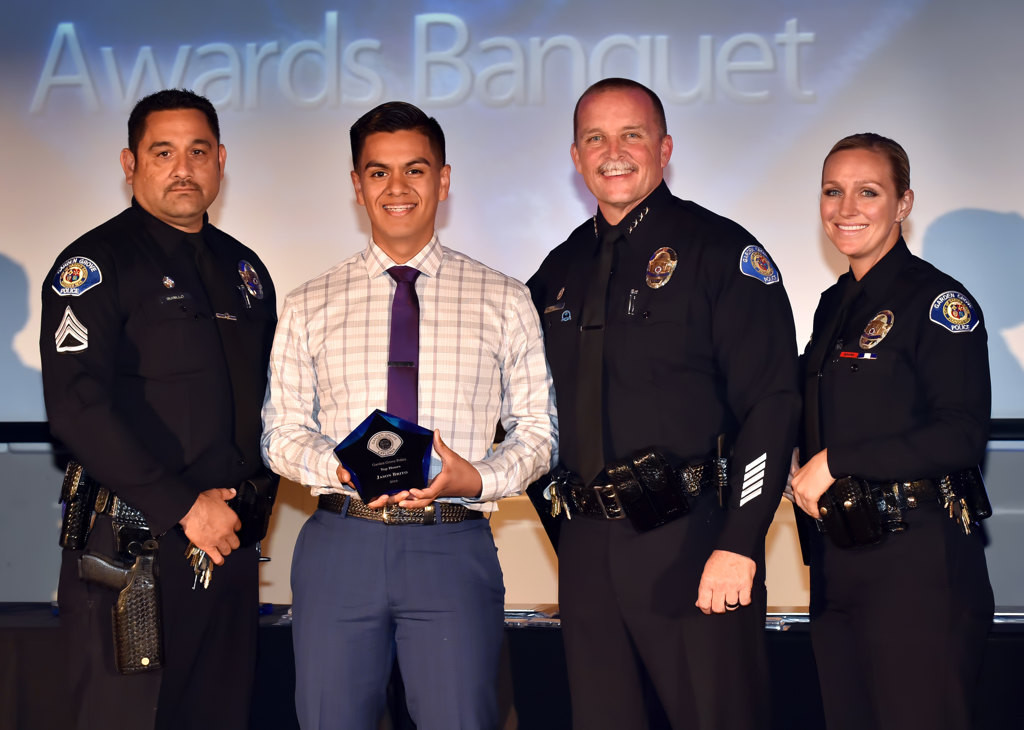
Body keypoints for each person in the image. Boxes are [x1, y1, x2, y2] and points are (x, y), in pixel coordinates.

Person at [260, 101, 556, 730]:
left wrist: (472, 478)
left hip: (452, 544)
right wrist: (340, 467)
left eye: (415, 170)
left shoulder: (504, 298)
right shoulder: (309, 301)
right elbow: (281, 432)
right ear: (356, 184)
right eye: (378, 172)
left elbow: (536, 432)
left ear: (443, 180)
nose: (397, 188)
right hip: (342, 542)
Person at [527, 78, 800, 729]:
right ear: (575, 155)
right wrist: (564, 530)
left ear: (665, 147)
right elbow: (526, 414)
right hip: (588, 554)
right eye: (595, 137)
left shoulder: (722, 252)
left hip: (694, 544)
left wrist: (740, 541)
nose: (613, 151)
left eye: (632, 135)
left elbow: (773, 403)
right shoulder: (557, 271)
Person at [39, 89, 278, 730]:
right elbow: (76, 408)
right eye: (163, 152)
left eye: (198, 151)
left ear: (221, 160)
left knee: (220, 713)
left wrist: (244, 502)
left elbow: (269, 402)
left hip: (225, 541)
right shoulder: (93, 265)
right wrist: (182, 505)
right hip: (131, 544)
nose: (183, 168)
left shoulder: (245, 269)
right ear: (130, 162)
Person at [791, 133, 994, 730]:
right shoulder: (834, 305)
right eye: (833, 191)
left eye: (868, 192)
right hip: (839, 561)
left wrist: (839, 459)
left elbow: (959, 435)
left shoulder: (938, 302)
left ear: (903, 204)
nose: (846, 208)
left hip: (918, 568)